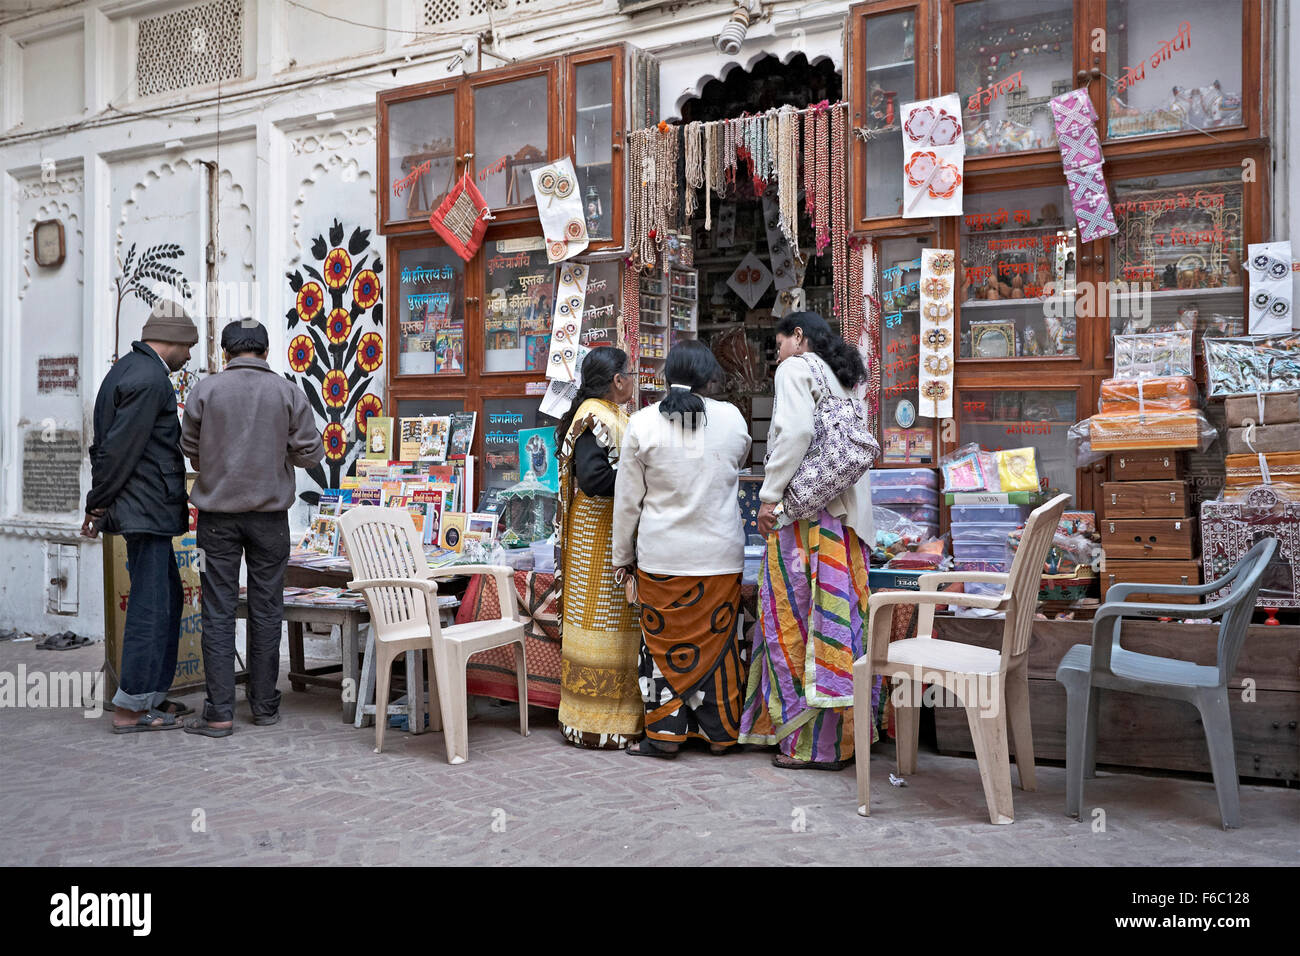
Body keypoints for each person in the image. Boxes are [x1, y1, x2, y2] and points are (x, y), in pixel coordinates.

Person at [739, 312, 877, 771]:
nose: (776, 355)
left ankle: (806, 747)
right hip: (843, 527)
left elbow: (795, 434)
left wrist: (768, 497)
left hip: (805, 526)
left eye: (778, 345)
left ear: (798, 337)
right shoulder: (845, 378)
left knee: (792, 627)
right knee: (837, 627)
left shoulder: (797, 368)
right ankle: (841, 744)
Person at [179, 321, 324, 737]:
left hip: (215, 522)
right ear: (264, 351)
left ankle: (220, 712)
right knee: (266, 609)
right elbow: (311, 454)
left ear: (226, 352)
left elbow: (189, 446)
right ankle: (263, 706)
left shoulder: (205, 391)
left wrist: (215, 460)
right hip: (270, 521)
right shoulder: (286, 391)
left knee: (218, 611)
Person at [612, 341, 751, 758]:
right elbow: (737, 461)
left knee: (658, 650)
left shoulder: (642, 423)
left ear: (667, 373)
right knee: (722, 648)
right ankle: (720, 734)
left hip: (663, 560)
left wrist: (623, 558)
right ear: (711, 375)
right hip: (721, 559)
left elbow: (627, 502)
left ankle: (664, 736)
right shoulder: (733, 420)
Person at [83, 303, 199, 733]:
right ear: (171, 341)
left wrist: (100, 503)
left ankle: (149, 697)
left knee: (166, 599)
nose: (188, 357)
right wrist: (97, 504)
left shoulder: (128, 370)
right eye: (187, 347)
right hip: (145, 510)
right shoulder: (150, 380)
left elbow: (113, 447)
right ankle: (131, 708)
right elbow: (119, 449)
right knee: (150, 608)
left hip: (144, 508)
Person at [554, 347, 641, 749]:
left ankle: (615, 719)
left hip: (610, 535)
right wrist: (641, 477)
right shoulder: (594, 417)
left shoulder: (611, 413)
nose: (635, 380)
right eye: (631, 373)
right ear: (617, 380)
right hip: (596, 540)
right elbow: (593, 479)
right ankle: (594, 721)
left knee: (616, 629)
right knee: (600, 625)